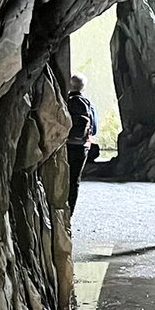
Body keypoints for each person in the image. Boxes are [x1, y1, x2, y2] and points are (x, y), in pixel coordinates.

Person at [65, 74, 97, 212]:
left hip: (64, 145)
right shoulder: (88, 104)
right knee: (74, 180)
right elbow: (94, 129)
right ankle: (69, 212)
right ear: (83, 87)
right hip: (81, 146)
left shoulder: (64, 101)